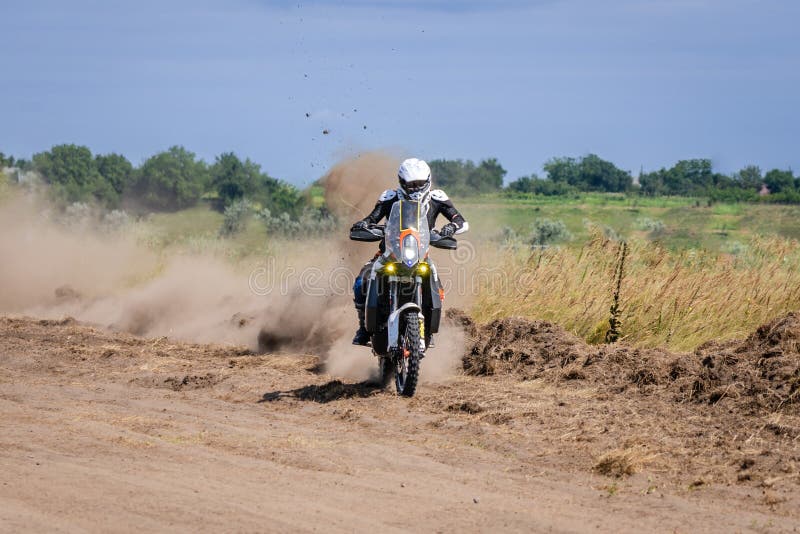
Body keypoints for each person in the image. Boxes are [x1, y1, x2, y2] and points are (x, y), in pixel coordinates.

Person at [350, 157, 469, 345]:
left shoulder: (437, 198)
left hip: (420, 256)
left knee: (437, 289)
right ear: (401, 182)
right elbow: (372, 218)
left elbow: (461, 221)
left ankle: (428, 330)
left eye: (419, 184)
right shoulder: (390, 198)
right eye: (410, 184)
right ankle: (364, 328)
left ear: (428, 181)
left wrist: (451, 228)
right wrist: (364, 224)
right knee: (361, 282)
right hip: (389, 254)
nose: (415, 188)